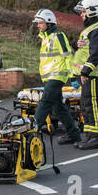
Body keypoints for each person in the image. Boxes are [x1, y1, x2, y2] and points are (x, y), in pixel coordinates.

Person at [32, 8, 80, 146]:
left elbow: (68, 56)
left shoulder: (58, 35)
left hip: (58, 75)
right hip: (50, 77)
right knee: (58, 106)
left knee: (45, 101)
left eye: (40, 23)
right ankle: (74, 134)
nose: (38, 26)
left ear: (48, 23)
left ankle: (32, 130)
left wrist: (72, 77)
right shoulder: (45, 38)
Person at [71, 0, 98, 150]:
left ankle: (96, 138)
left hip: (93, 74)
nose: (81, 15)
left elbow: (95, 54)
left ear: (90, 12)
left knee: (93, 104)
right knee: (86, 104)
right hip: (88, 74)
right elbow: (85, 48)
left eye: (82, 12)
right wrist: (76, 44)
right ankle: (89, 137)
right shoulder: (90, 29)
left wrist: (86, 71)